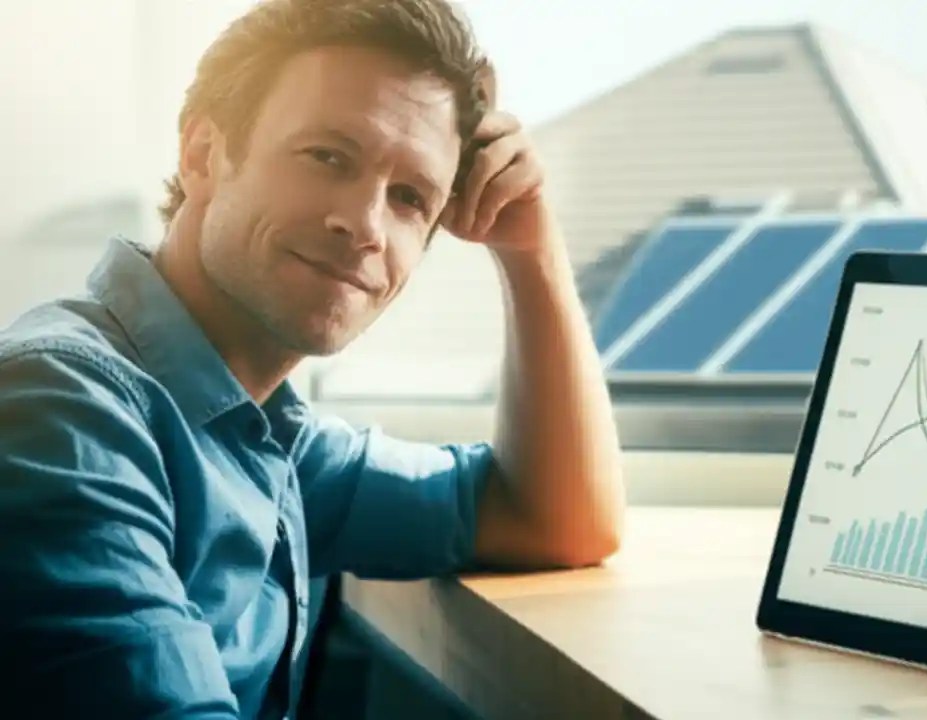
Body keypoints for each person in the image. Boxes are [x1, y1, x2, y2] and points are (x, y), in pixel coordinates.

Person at [0, 1, 626, 717]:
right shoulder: (64, 415)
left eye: (410, 198)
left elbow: (557, 520)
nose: (363, 226)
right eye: (328, 157)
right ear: (203, 154)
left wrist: (530, 249)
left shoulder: (268, 441)